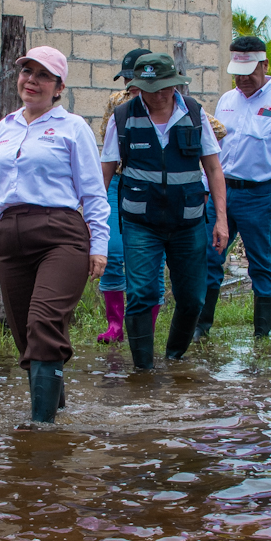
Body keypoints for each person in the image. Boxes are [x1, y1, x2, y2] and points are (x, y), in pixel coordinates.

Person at [0, 46, 109, 423]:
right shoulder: (5, 127)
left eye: (43, 75)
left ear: (59, 87)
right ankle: (55, 412)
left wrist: (99, 245)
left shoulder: (73, 128)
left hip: (61, 236)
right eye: (27, 72)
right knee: (25, 336)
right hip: (11, 239)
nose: (31, 80)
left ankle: (41, 429)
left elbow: (93, 193)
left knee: (43, 323)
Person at [99, 53, 229, 371]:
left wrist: (221, 220)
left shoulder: (195, 114)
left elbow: (214, 169)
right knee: (141, 293)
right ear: (138, 87)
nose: (159, 94)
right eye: (151, 88)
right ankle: (143, 369)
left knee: (193, 298)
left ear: (175, 85)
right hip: (140, 222)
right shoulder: (122, 117)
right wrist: (94, 219)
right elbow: (105, 172)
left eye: (165, 87)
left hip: (188, 221)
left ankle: (174, 359)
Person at [196, 34, 271, 340]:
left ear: (264, 65)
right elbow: (214, 151)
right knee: (209, 256)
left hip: (259, 195)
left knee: (259, 262)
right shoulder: (227, 101)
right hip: (221, 193)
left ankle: (261, 333)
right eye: (238, 74)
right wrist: (205, 187)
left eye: (249, 73)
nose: (242, 80)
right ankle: (201, 327)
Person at [95, 48, 162, 343]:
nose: (129, 86)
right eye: (126, 80)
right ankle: (115, 325)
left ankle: (147, 327)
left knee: (153, 259)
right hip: (119, 181)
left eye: (134, 79)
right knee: (112, 249)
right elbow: (106, 137)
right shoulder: (118, 102)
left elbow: (216, 129)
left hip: (153, 187)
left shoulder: (171, 102)